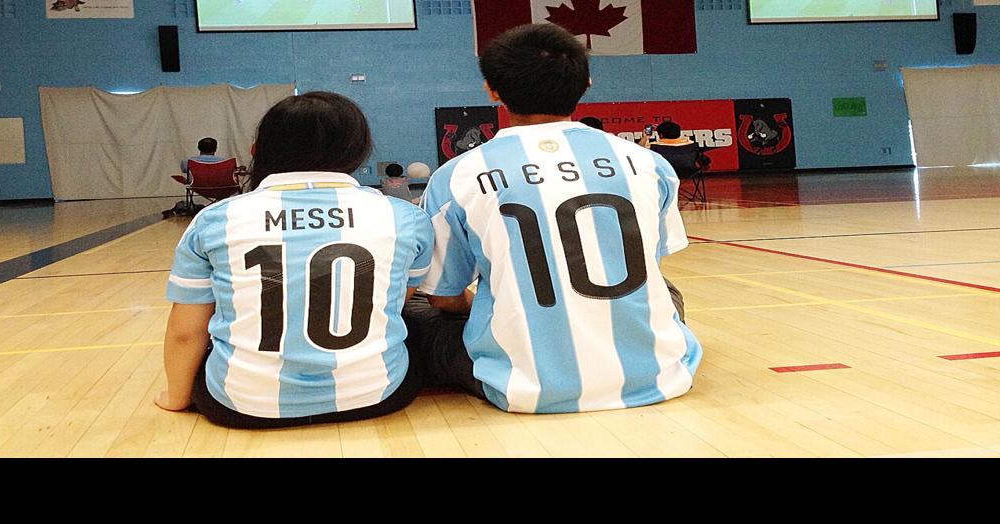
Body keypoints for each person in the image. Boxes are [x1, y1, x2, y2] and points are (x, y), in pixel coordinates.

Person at [405, 22, 700, 414]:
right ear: (587, 82)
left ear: (492, 89)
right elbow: (652, 260)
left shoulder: (456, 176)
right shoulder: (648, 163)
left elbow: (445, 298)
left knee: (417, 311)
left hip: (523, 387)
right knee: (666, 289)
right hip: (661, 376)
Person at [156, 91, 433, 428]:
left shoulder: (216, 219)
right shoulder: (404, 216)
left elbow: (187, 333)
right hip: (379, 398)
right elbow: (395, 305)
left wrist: (176, 398)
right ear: (358, 149)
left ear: (263, 147)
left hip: (239, 407)